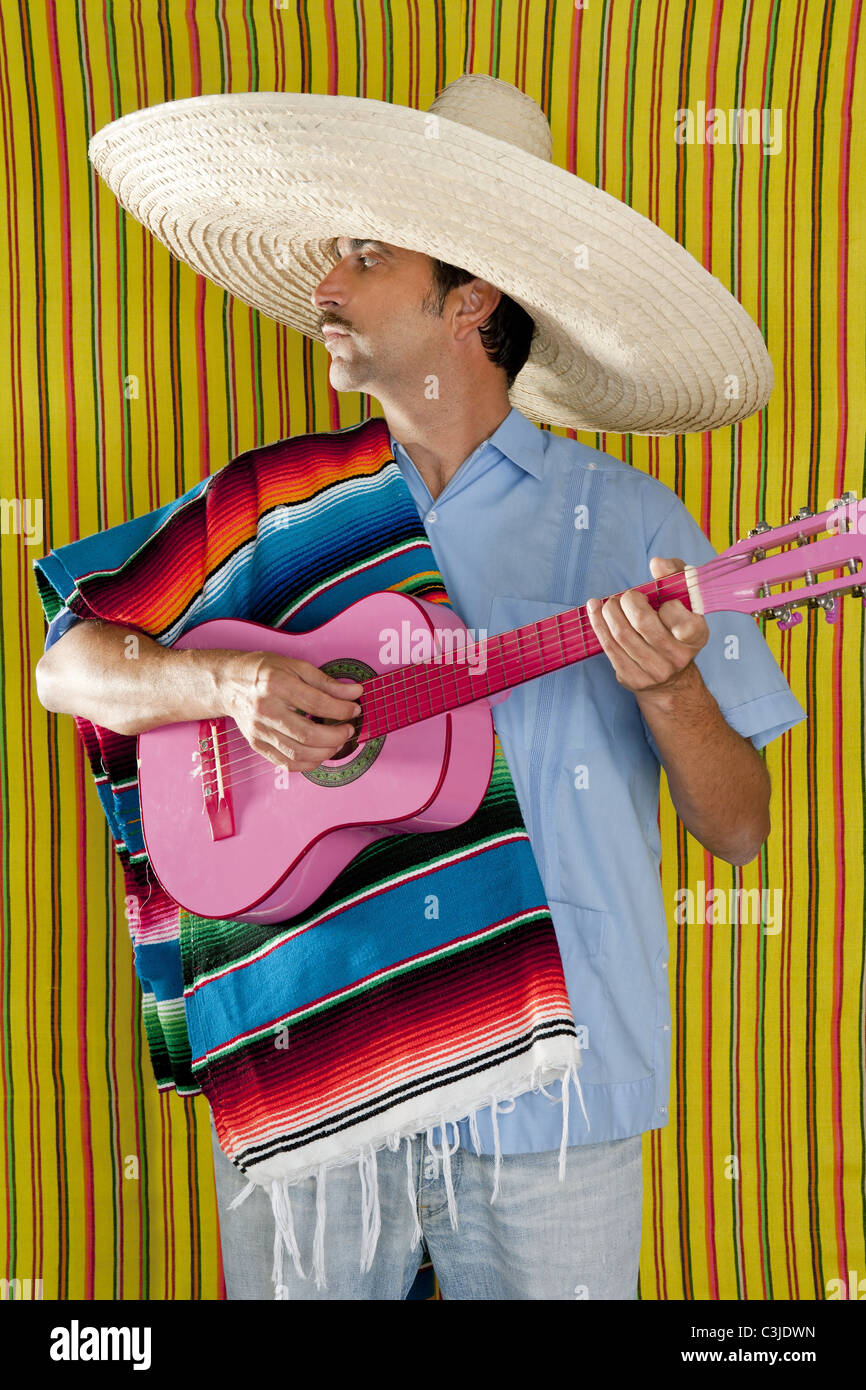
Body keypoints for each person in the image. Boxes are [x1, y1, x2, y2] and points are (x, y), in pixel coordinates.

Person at [33, 74, 804, 1300]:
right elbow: (63, 664)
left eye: (364, 256)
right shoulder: (273, 507)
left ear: (470, 297)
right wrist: (227, 680)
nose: (324, 287)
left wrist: (668, 693)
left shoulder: (635, 526)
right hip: (322, 1069)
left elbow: (741, 823)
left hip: (563, 1087)